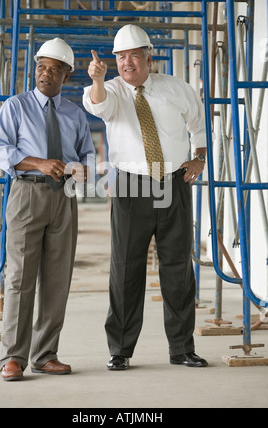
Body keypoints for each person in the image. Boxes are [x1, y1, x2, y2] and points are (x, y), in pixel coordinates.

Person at [83, 24, 208, 370]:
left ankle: (182, 348)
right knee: (125, 269)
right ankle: (120, 350)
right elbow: (97, 107)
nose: (126, 63)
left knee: (178, 268)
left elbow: (199, 125)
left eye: (132, 56)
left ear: (148, 59)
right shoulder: (109, 91)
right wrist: (96, 79)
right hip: (130, 188)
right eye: (120, 57)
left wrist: (200, 157)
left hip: (173, 183)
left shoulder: (176, 88)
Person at [0, 37, 95, 381]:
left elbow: (87, 155)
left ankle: (45, 354)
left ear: (67, 75)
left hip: (64, 197)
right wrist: (38, 163)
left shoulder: (74, 114)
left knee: (56, 279)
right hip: (27, 195)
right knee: (20, 277)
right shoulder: (15, 107)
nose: (45, 74)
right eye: (41, 67)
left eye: (54, 69)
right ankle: (13, 357)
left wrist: (83, 169)